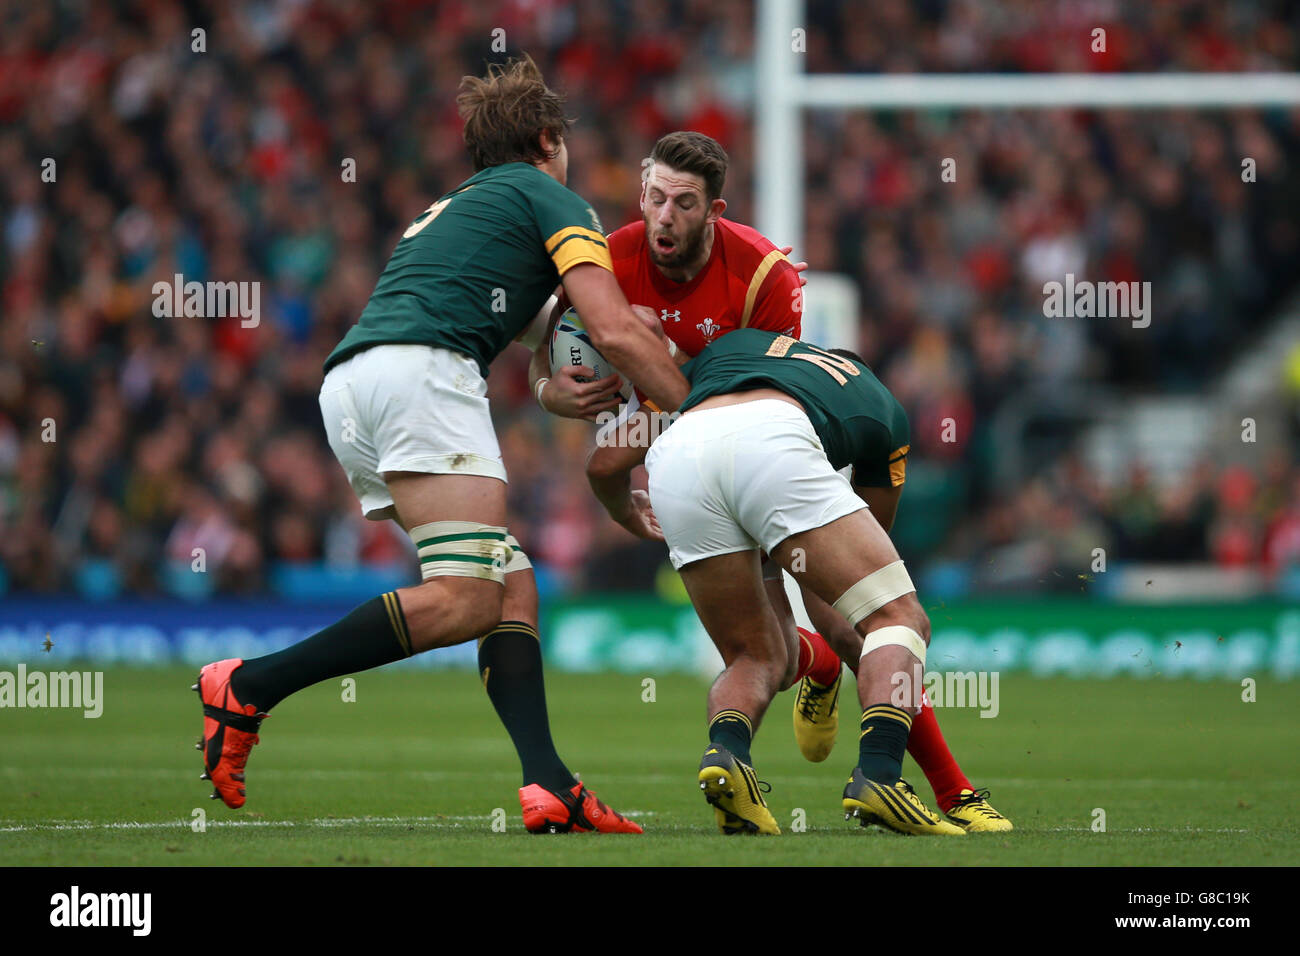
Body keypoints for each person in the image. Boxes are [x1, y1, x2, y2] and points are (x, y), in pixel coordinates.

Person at [193, 55, 688, 834]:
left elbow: (540, 363)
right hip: (423, 376)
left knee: (510, 583)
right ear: (548, 138)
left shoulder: (460, 209)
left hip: (355, 385)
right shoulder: (551, 197)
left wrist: (563, 393)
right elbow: (617, 329)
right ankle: (250, 686)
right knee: (468, 598)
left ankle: (549, 784)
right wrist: (693, 411)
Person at [532, 131, 1010, 832]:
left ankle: (761, 734)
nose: (664, 217)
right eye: (655, 199)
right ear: (641, 196)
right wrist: (550, 390)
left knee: (767, 648)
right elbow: (536, 342)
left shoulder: (763, 277)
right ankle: (930, 783)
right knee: (880, 618)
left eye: (685, 204)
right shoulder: (609, 255)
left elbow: (609, 461)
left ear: (715, 210)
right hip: (733, 437)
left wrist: (626, 502)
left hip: (685, 451)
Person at [642, 327, 963, 835]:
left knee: (757, 655)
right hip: (774, 448)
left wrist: (623, 501)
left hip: (676, 456)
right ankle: (880, 775)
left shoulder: (738, 345)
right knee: (896, 618)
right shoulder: (881, 406)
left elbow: (624, 435)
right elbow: (855, 588)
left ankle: (727, 753)